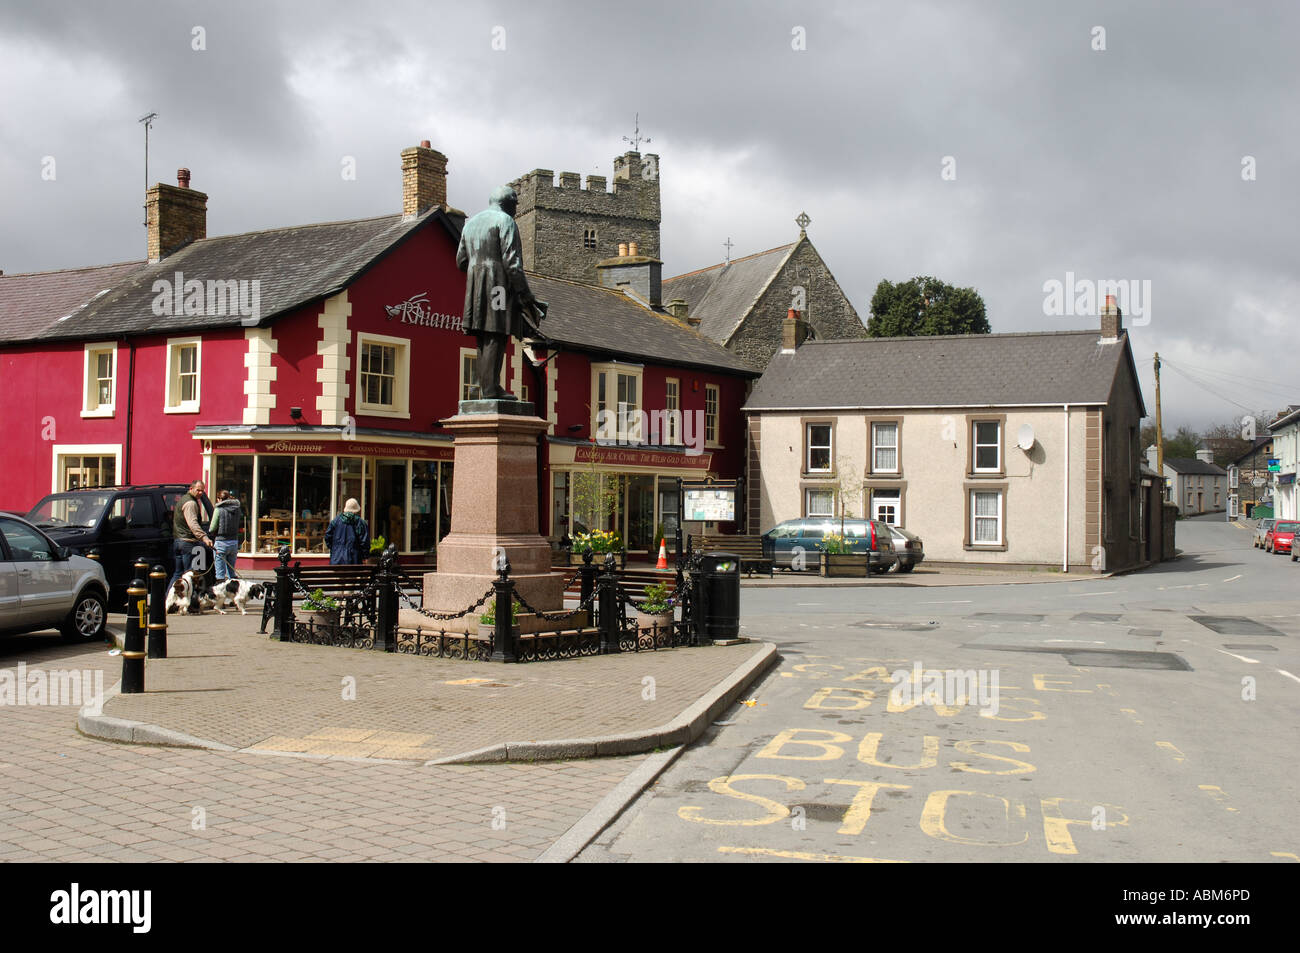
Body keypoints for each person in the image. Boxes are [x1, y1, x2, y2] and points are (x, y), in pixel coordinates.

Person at [455, 185, 547, 400]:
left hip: (475, 288)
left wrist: (478, 269)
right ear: (507, 203)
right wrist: (526, 294)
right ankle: (490, 389)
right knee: (496, 333)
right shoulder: (506, 221)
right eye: (515, 204)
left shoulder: (471, 225)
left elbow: (461, 261)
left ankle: (482, 386)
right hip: (497, 287)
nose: (516, 208)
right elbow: (513, 264)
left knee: (482, 335)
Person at [170, 479, 213, 587]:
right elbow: (193, 523)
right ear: (191, 489)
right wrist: (205, 538)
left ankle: (169, 599)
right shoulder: (190, 503)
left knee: (178, 574)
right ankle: (187, 601)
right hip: (187, 543)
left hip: (178, 541)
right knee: (189, 575)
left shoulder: (183, 500)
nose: (200, 493)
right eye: (198, 490)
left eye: (202, 491)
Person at [209, 489, 242, 582]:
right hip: (234, 542)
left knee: (220, 574)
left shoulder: (219, 509)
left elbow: (212, 528)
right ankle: (234, 593)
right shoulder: (237, 508)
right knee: (232, 572)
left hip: (221, 542)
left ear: (219, 499)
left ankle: (221, 593)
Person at [326, 498, 370, 565]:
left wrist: (334, 549)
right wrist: (365, 556)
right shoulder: (360, 523)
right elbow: (364, 542)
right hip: (354, 560)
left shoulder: (336, 521)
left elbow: (327, 537)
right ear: (356, 510)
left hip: (336, 559)